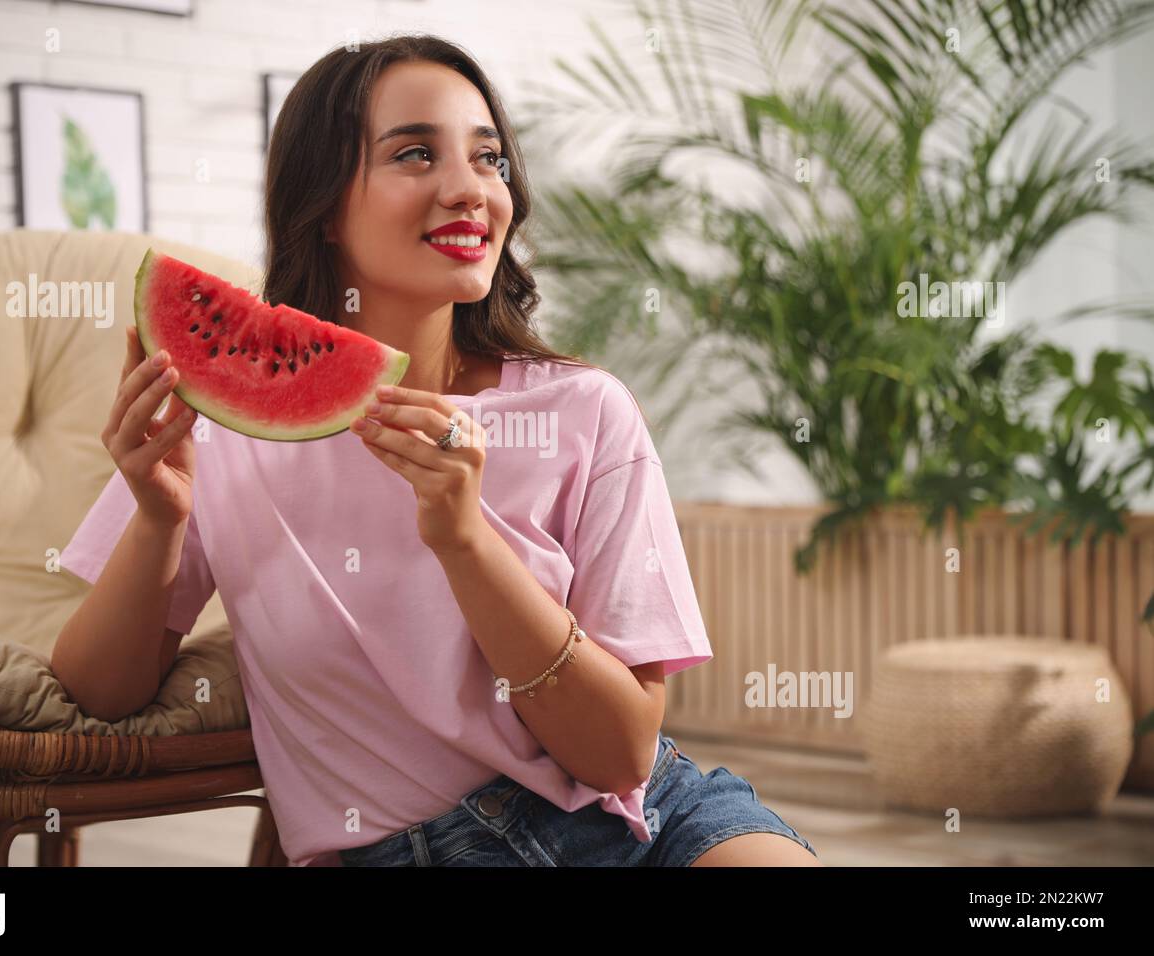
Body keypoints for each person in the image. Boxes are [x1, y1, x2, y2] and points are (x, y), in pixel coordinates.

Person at [52, 34, 820, 868]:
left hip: (643, 825)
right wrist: (159, 522)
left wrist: (467, 542)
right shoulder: (223, 430)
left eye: (488, 158)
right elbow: (98, 693)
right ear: (324, 202)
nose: (470, 190)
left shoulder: (587, 411)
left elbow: (622, 756)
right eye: (415, 153)